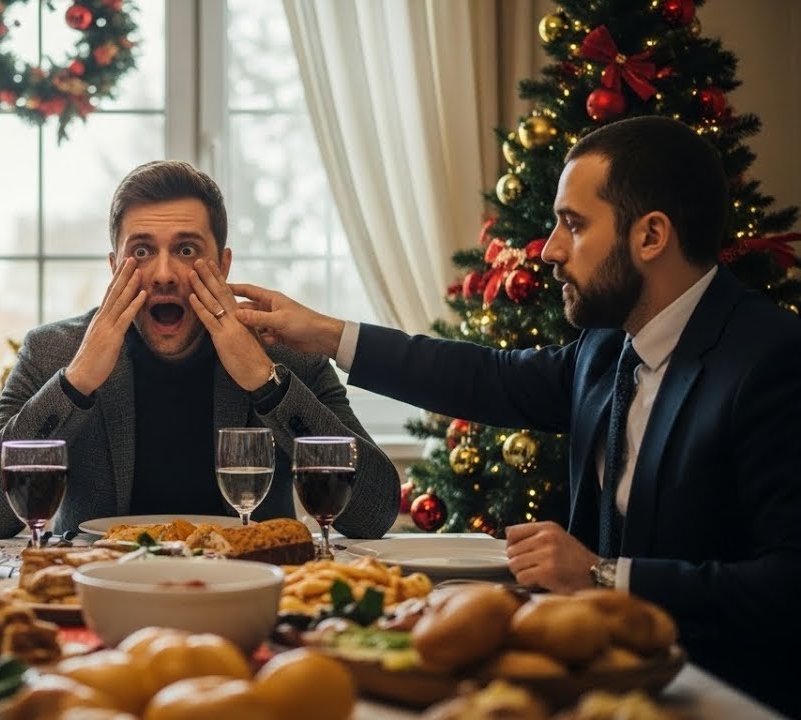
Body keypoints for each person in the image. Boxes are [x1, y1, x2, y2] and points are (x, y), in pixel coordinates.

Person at [228, 116, 801, 715]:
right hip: (597, 692)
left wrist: (604, 577)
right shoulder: (607, 350)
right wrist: (326, 334)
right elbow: (486, 377)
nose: (550, 250)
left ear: (651, 236)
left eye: (573, 225)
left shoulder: (772, 362)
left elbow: (790, 585)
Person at [0, 160, 400, 541]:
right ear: (113, 266)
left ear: (223, 265)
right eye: (141, 251)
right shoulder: (56, 351)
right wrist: (76, 383)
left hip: (244, 596)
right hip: (99, 592)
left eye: (186, 250)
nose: (163, 274)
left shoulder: (285, 355)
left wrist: (265, 383)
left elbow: (374, 512)